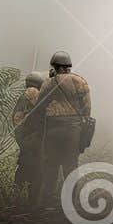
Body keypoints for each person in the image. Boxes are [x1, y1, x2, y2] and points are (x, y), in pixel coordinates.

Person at [25, 51, 93, 206]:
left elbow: (39, 108)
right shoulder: (80, 81)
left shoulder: (48, 83)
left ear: (54, 66)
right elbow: (87, 109)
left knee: (51, 165)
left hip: (53, 129)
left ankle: (48, 200)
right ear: (68, 66)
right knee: (71, 164)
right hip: (73, 129)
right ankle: (72, 201)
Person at [11, 70, 46, 198]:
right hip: (33, 138)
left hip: (24, 139)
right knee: (37, 168)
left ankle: (15, 196)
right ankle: (32, 199)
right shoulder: (34, 93)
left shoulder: (23, 96)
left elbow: (16, 119)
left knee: (23, 167)